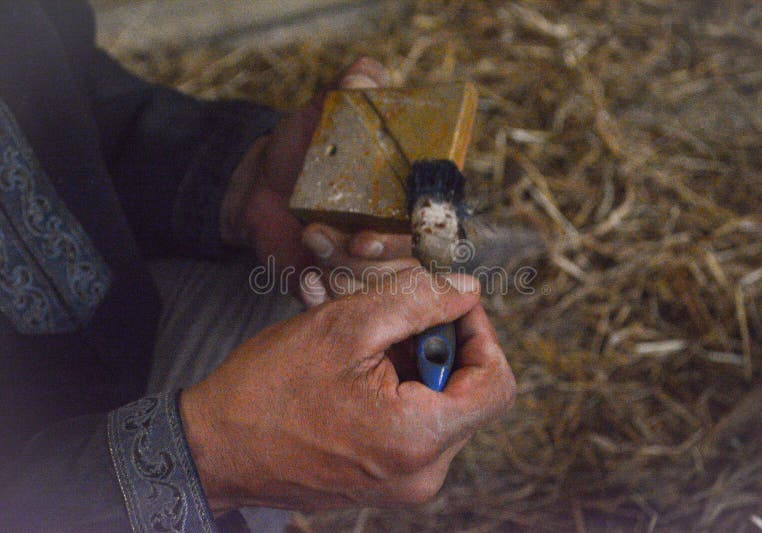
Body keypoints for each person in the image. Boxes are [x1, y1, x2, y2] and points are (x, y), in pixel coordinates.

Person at [0, 2, 517, 532]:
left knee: (331, 283)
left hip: (119, 319)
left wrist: (239, 187)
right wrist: (203, 462)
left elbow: (59, 85)